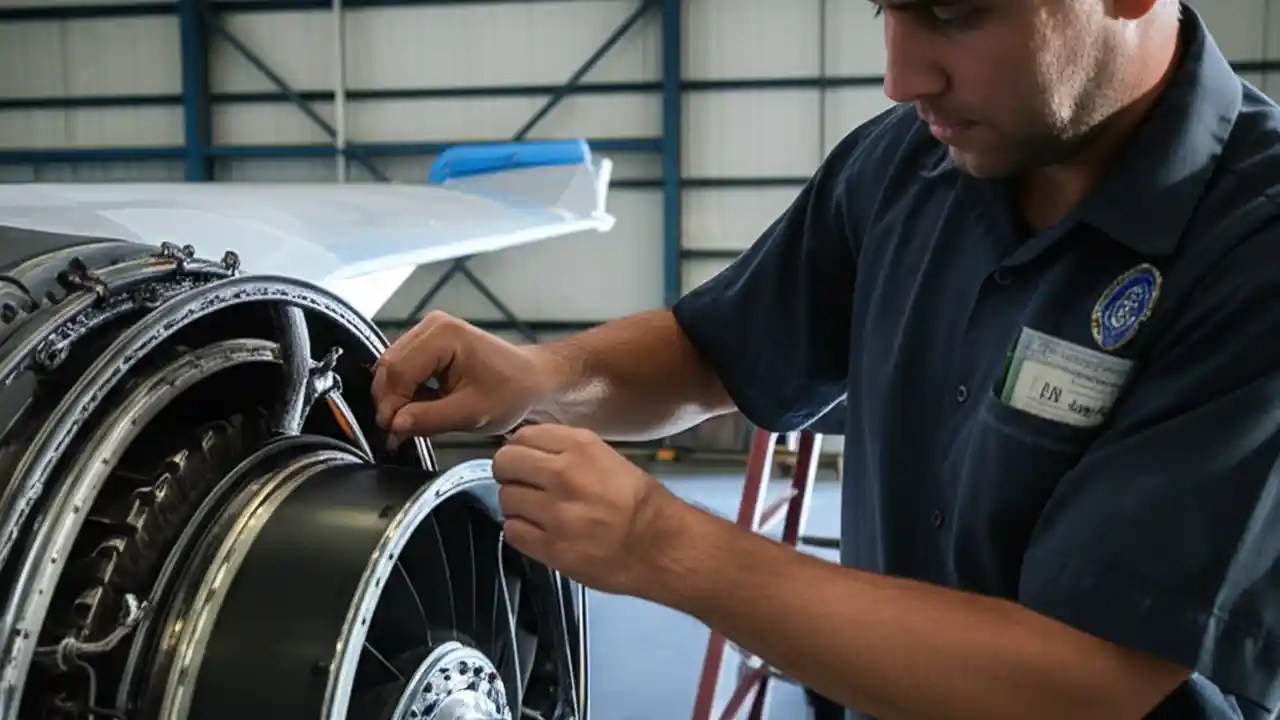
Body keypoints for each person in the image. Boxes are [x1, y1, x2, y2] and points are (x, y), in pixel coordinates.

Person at [372, 0, 1280, 717]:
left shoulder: (1251, 249)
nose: (899, 76)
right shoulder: (903, 169)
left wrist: (665, 545)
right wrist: (545, 377)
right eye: (884, 11)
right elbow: (712, 353)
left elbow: (1088, 687)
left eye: (956, 13)